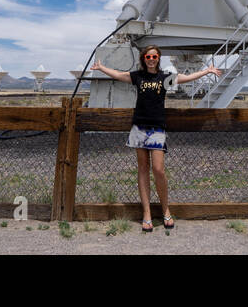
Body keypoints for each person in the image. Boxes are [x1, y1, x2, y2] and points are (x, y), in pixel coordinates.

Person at [89, 46, 221, 231]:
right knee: (143, 169)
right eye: (148, 56)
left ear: (158, 58)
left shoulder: (164, 78)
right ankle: (147, 213)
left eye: (154, 56)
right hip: (139, 127)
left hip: (157, 128)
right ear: (144, 58)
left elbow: (183, 78)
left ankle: (166, 210)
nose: (151, 59)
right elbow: (119, 75)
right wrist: (102, 68)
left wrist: (206, 71)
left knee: (158, 169)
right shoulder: (138, 77)